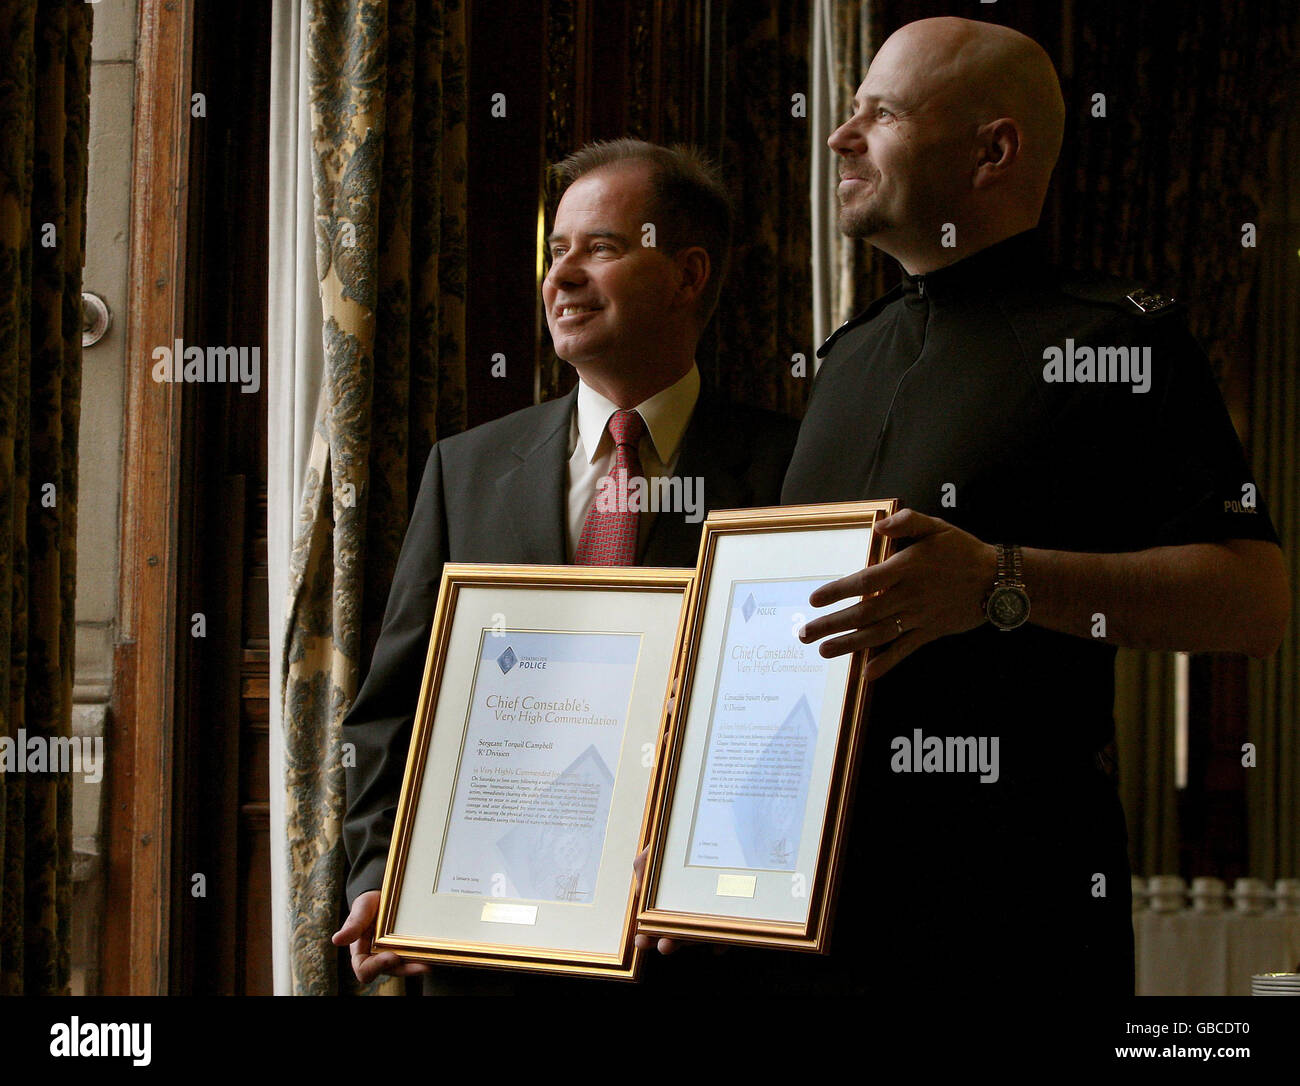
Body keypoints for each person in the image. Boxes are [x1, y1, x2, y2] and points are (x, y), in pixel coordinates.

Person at [640, 16, 1288, 996]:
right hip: (803, 914)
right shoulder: (847, 356)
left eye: (882, 114)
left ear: (994, 151)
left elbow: (1254, 602)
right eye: (848, 109)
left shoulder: (1119, 340)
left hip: (1009, 919)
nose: (839, 136)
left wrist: (997, 581)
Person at [332, 139, 798, 992]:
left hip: (694, 961)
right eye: (556, 252)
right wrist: (379, 876)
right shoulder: (466, 470)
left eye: (602, 248)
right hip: (484, 957)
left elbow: (797, 731)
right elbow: (391, 710)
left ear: (689, 274)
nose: (562, 277)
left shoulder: (790, 473)